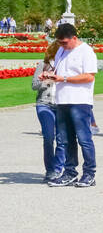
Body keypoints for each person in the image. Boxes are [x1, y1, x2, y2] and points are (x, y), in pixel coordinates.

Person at [44, 22, 99, 187]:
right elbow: (59, 72)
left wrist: (64, 79)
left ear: (74, 38)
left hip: (80, 101)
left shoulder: (86, 51)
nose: (61, 45)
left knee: (84, 139)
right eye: (59, 42)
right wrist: (49, 75)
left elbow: (89, 76)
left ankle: (89, 173)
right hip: (62, 100)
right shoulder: (61, 50)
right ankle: (70, 172)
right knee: (65, 140)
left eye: (64, 42)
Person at [32, 41, 59, 181]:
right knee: (49, 137)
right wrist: (46, 81)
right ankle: (50, 170)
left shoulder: (65, 67)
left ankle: (58, 168)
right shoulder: (43, 65)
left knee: (62, 139)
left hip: (61, 105)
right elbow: (34, 85)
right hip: (44, 104)